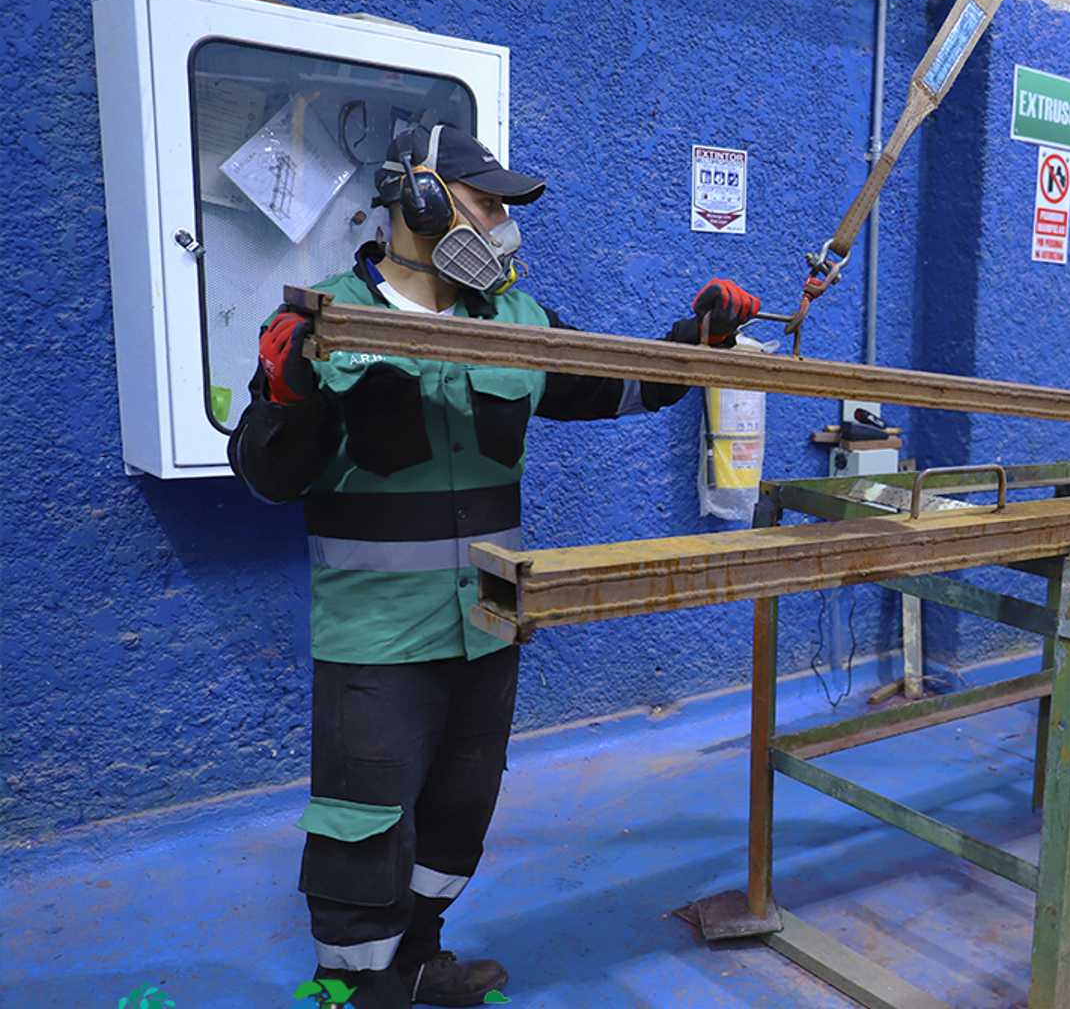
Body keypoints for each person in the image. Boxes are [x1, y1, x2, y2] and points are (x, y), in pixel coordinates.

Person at [230, 124, 761, 1008]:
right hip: (375, 640)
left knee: (458, 815)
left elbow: (617, 385)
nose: (504, 228)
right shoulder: (324, 320)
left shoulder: (518, 324)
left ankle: (420, 959)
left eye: (508, 211)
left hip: (488, 626)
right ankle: (352, 991)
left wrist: (693, 341)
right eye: (487, 205)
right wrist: (290, 392)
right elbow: (267, 476)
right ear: (421, 198)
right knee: (364, 830)